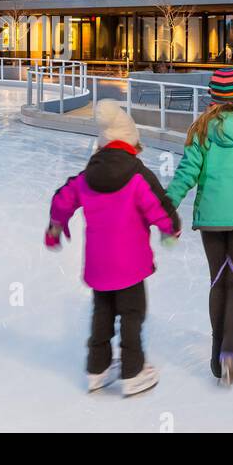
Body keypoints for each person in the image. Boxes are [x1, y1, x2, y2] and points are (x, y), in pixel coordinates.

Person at [46, 100, 180, 397]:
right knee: (132, 314)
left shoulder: (87, 176)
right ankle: (132, 371)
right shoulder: (137, 176)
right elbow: (160, 207)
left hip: (98, 266)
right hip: (131, 266)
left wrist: (55, 227)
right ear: (131, 141)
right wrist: (171, 229)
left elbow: (62, 200)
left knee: (102, 312)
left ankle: (97, 370)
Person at [165, 67, 233, 387]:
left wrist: (167, 204)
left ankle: (216, 355)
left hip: (213, 218)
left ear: (212, 95)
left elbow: (186, 173)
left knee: (219, 282)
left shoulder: (201, 129)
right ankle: (231, 352)